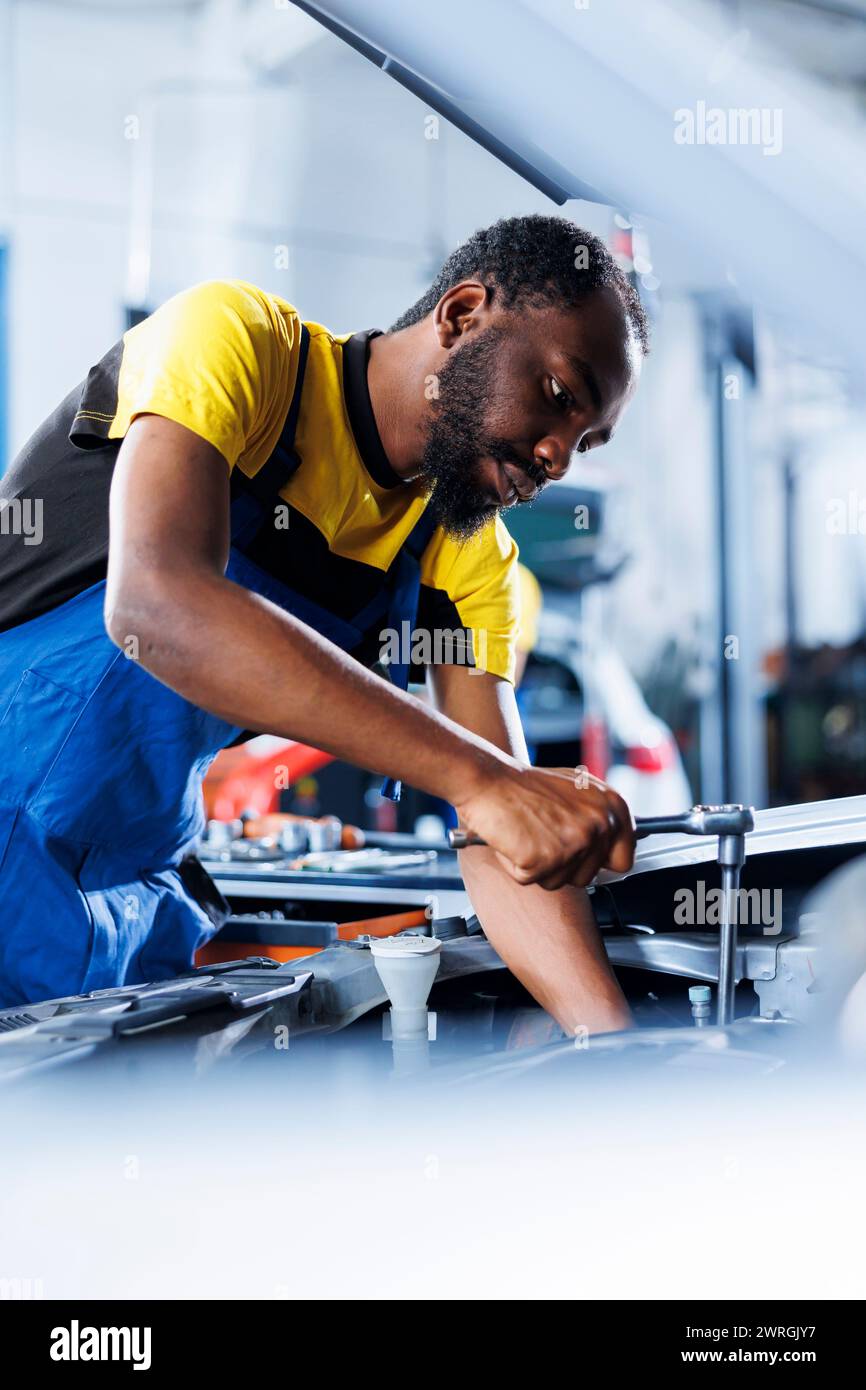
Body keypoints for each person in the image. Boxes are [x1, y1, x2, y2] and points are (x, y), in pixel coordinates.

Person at [0, 214, 646, 1031]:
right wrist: (482, 780)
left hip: (127, 902)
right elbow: (157, 606)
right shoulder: (240, 346)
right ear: (461, 314)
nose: (557, 456)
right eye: (559, 395)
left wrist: (612, 1045)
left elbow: (499, 839)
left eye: (585, 441)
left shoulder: (467, 553)